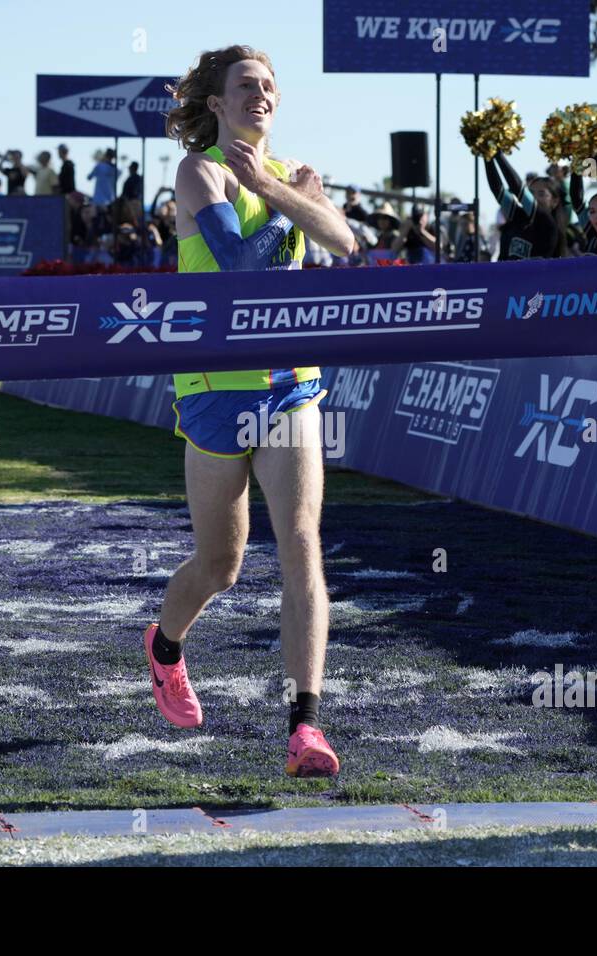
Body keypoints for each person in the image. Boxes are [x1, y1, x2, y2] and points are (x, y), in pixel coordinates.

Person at [155, 44, 352, 777]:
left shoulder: (284, 172)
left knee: (301, 540)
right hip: (212, 389)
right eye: (245, 85)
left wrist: (282, 189)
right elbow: (238, 266)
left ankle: (306, 725)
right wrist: (277, 195)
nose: (260, 94)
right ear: (216, 101)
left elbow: (343, 237)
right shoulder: (199, 171)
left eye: (269, 85)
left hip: (290, 382)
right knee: (221, 563)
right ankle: (166, 647)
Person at [483, 151, 560, 260]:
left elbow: (517, 189)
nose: (535, 198)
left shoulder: (548, 223)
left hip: (534, 276)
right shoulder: (518, 217)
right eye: (531, 193)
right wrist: (487, 154)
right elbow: (498, 191)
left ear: (555, 201)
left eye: (541, 194)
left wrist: (498, 154)